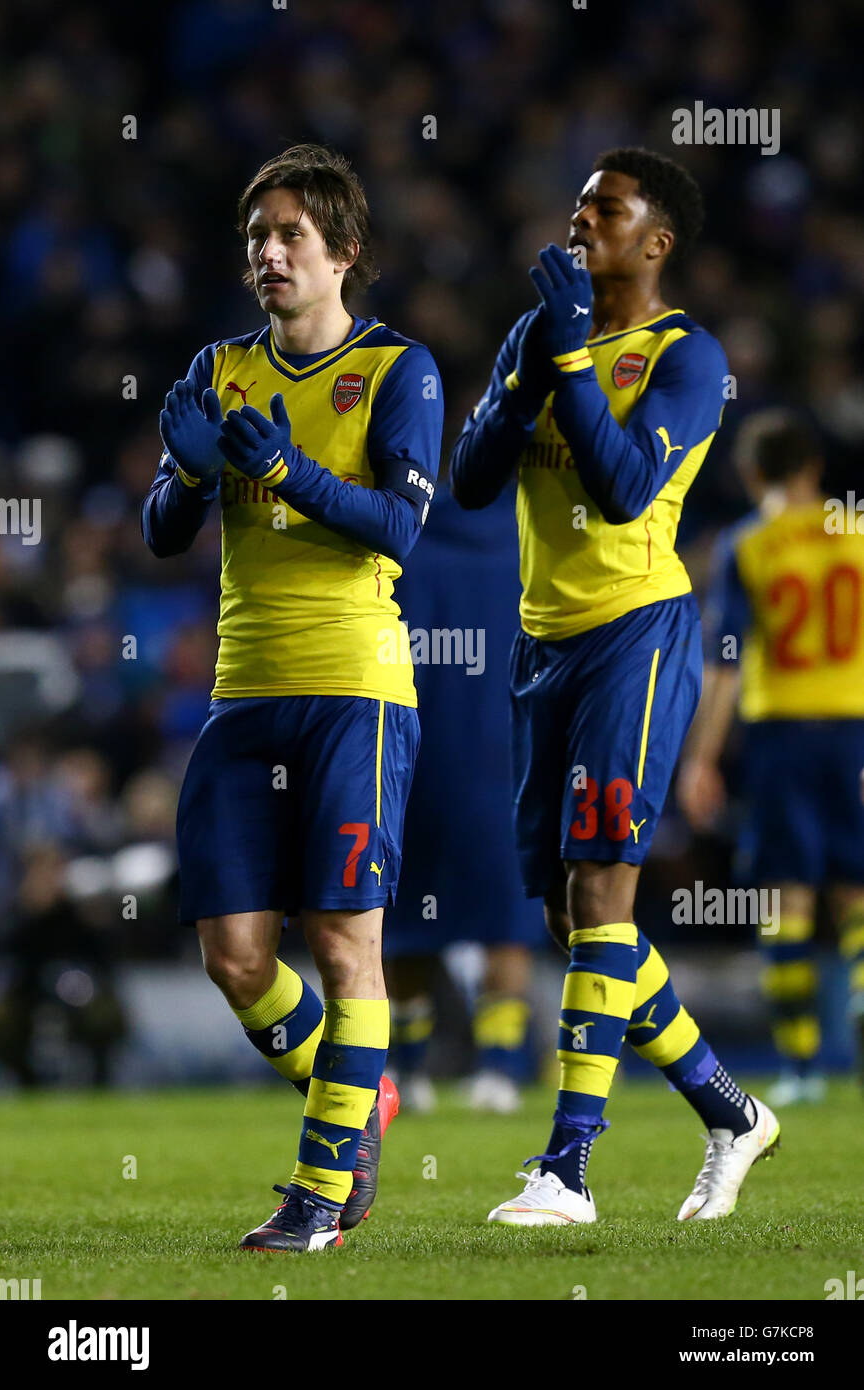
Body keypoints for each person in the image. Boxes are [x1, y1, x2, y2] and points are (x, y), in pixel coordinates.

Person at [451, 147, 779, 1225]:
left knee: (601, 896)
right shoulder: (539, 329)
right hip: (540, 643)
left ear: (655, 241)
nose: (581, 217)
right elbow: (470, 476)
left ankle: (566, 1168)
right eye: (580, 201)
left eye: (607, 206)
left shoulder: (686, 355)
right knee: (566, 915)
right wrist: (529, 370)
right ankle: (729, 1111)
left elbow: (629, 484)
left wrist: (570, 364)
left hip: (634, 634)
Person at [142, 144, 443, 1251]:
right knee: (232, 953)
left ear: (342, 256)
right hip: (242, 690)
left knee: (340, 938)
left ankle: (322, 1197)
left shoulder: (401, 369)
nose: (268, 254)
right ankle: (353, 1092)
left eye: (291, 238)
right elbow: (164, 533)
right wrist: (179, 476)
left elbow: (400, 527)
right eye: (257, 239)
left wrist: (284, 475)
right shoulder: (220, 366)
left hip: (355, 688)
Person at [679, 408, 864, 1103]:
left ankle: (802, 1069)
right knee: (855, 890)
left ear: (752, 473)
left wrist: (700, 758)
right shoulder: (857, 532)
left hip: (781, 733)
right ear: (815, 466)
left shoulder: (749, 543)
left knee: (784, 899)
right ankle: (860, 989)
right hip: (854, 729)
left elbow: (725, 662)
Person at [383, 483, 547, 1114]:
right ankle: (500, 1071)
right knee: (504, 921)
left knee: (408, 924)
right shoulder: (528, 542)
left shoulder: (405, 542)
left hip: (417, 756)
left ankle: (409, 1070)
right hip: (507, 760)